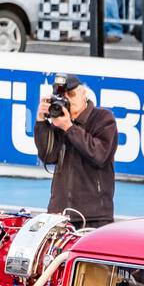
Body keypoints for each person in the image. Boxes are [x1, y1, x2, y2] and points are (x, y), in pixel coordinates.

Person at [34, 74, 118, 228]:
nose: (67, 100)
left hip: (94, 216)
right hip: (59, 214)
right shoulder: (59, 121)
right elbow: (48, 156)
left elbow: (100, 155)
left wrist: (69, 128)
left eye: (71, 95)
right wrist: (41, 122)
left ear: (84, 94)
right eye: (62, 96)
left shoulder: (104, 118)